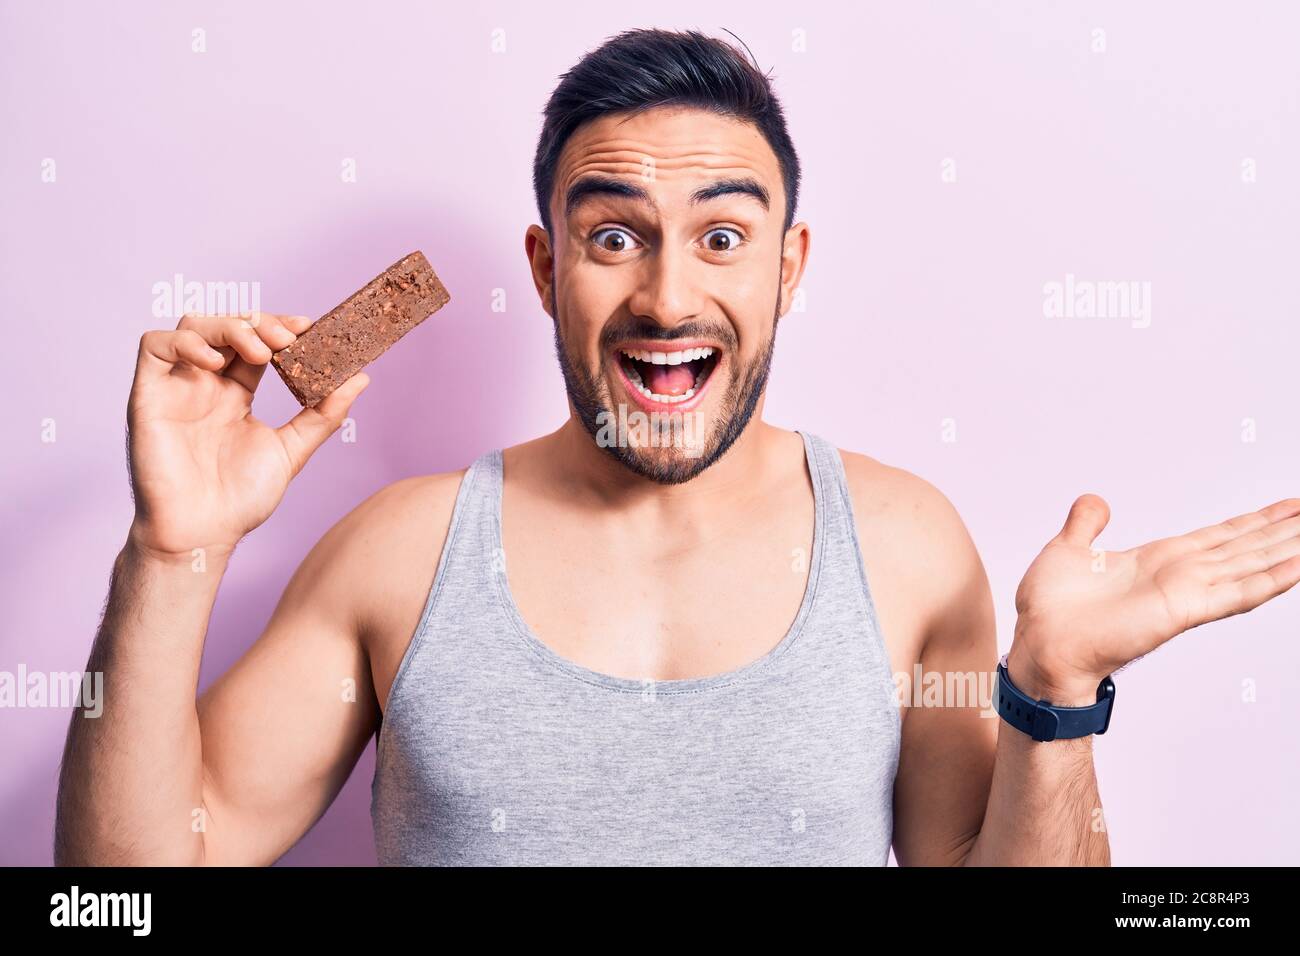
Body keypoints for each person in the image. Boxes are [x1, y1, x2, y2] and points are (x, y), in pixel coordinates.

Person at [55, 28, 1300, 866]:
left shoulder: (907, 546)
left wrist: (1055, 693)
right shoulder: (402, 552)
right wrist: (170, 551)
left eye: (720, 236)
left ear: (787, 268)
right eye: (612, 237)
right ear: (545, 271)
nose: (663, 296)